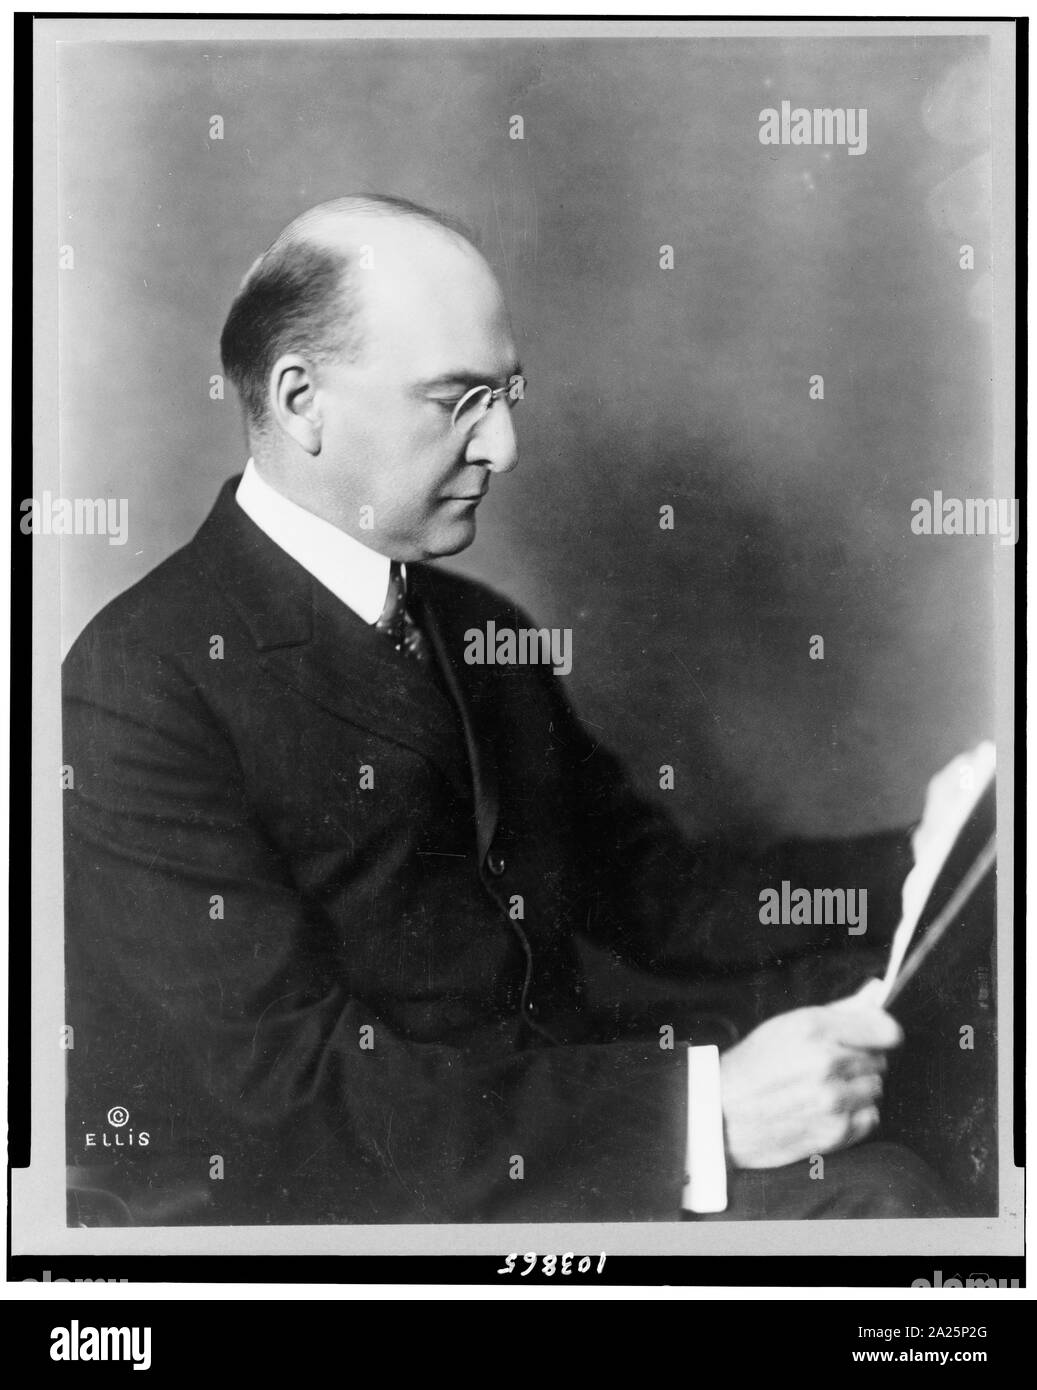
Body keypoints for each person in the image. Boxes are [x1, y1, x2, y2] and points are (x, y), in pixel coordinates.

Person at [63, 195, 953, 1225]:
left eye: (509, 394)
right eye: (459, 400)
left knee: (919, 1108)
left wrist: (934, 860)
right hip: (343, 1220)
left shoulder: (474, 626)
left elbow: (654, 892)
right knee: (880, 1208)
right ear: (302, 400)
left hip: (543, 1153)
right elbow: (286, 1097)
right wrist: (701, 1110)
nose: (507, 447)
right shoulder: (137, 681)